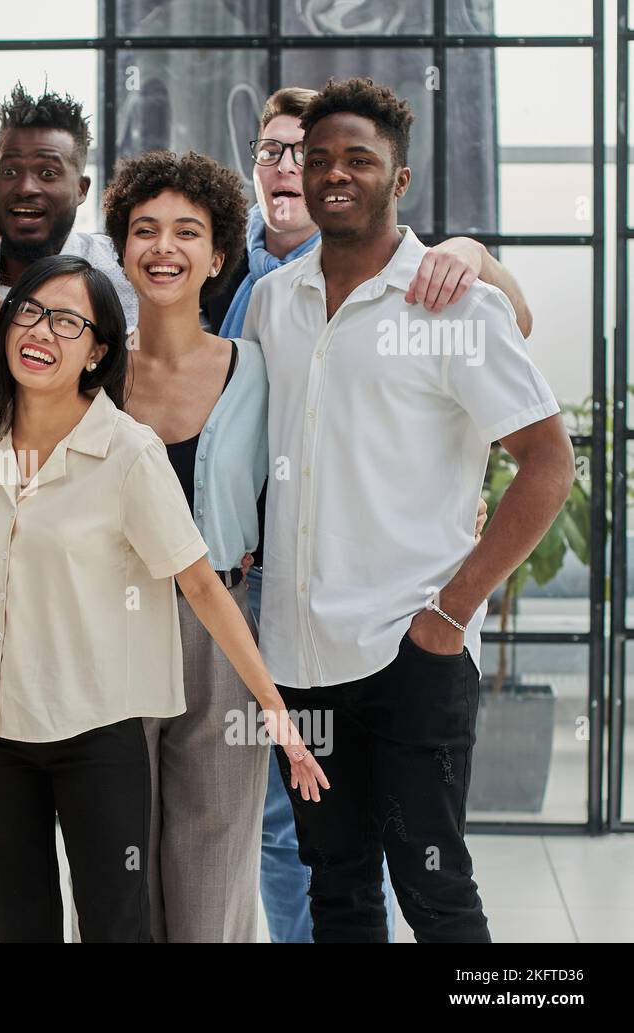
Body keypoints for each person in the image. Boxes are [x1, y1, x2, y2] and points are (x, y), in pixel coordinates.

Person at [245, 77, 573, 943]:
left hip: (410, 650)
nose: (333, 175)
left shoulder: (454, 301)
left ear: (401, 178)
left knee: (436, 895)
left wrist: (449, 616)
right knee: (336, 893)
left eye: (360, 159)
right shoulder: (276, 301)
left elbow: (546, 461)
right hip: (297, 655)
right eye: (318, 160)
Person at [0, 254, 329, 943]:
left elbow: (202, 584)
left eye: (67, 322)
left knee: (116, 928)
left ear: (97, 351)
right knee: (19, 927)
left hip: (95, 730)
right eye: (29, 311)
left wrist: (277, 712)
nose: (41, 331)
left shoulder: (128, 450)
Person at [102, 150, 269, 942]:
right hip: (106, 627)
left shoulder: (258, 370)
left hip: (223, 628)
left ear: (218, 253)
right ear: (122, 247)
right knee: (117, 869)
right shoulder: (87, 371)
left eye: (186, 231)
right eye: (144, 230)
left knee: (214, 869)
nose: (163, 247)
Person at [0, 83, 138, 323]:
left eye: (47, 173)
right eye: (10, 171)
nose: (25, 188)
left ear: (81, 189)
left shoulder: (123, 274)